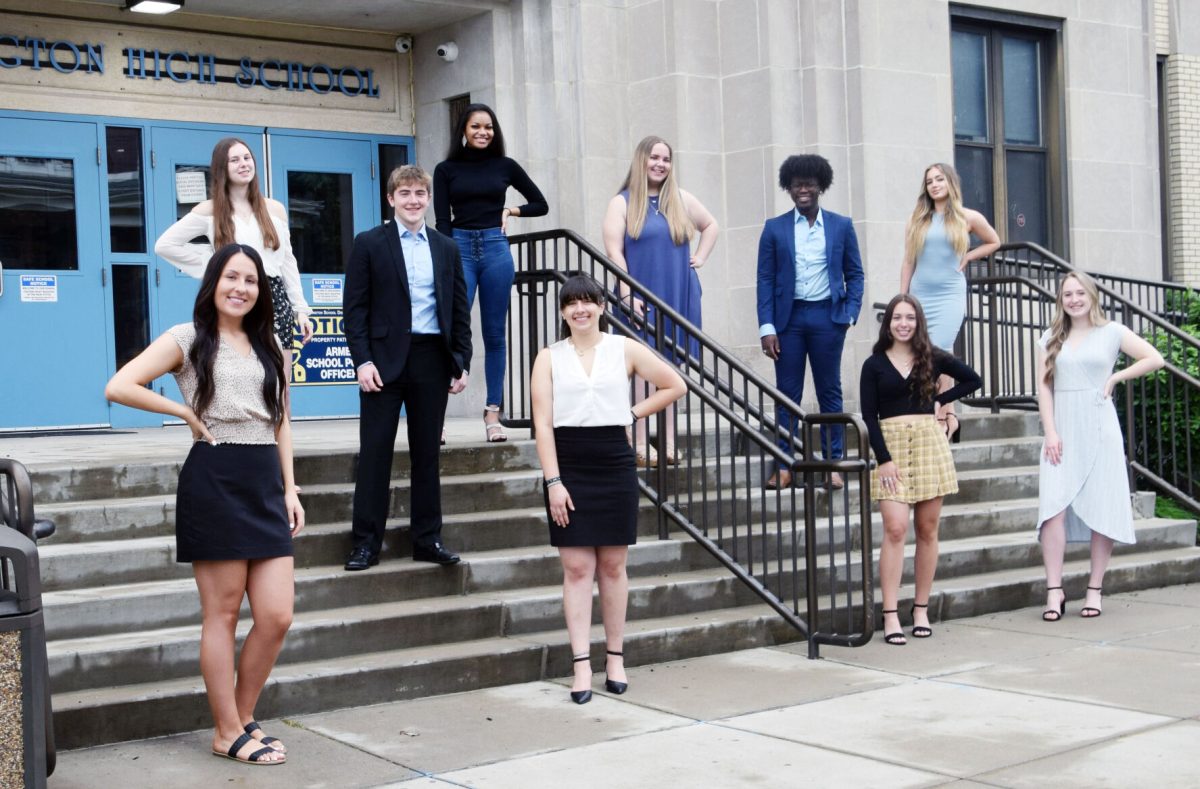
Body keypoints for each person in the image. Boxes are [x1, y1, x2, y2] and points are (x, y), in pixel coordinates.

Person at [104, 243, 302, 765]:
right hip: (215, 476)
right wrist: (184, 413)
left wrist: (290, 488)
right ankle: (226, 731)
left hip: (263, 480)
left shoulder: (270, 343)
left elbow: (281, 420)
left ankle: (239, 716)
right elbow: (120, 385)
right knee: (223, 611)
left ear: (261, 290)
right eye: (231, 277)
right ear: (213, 282)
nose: (241, 288)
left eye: (251, 281)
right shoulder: (188, 339)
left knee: (277, 614)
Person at [530, 274, 686, 704]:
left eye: (588, 301)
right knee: (577, 569)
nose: (580, 310)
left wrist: (631, 414)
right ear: (562, 312)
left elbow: (675, 384)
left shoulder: (623, 348)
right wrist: (554, 481)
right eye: (570, 304)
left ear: (601, 305)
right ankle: (581, 665)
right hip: (570, 463)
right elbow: (542, 424)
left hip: (613, 462)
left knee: (613, 567)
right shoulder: (549, 357)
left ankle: (615, 657)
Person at [343, 165, 472, 571]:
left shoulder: (446, 248)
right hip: (381, 363)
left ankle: (427, 540)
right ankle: (366, 544)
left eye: (420, 193)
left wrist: (461, 361)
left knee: (427, 456)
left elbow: (459, 309)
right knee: (376, 455)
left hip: (432, 359)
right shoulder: (369, 243)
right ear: (391, 199)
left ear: (428, 198)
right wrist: (362, 360)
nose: (413, 200)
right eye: (405, 194)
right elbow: (355, 310)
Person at [1036, 272, 1163, 621]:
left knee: (1103, 504)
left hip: (1099, 425)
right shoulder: (1050, 338)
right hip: (1061, 429)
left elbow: (1155, 358)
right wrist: (1050, 432)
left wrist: (1115, 377)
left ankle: (1094, 589)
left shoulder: (1112, 332)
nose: (1074, 299)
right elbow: (1044, 388)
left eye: (1080, 293)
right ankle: (1054, 590)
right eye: (1067, 294)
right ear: (1060, 300)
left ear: (1092, 296)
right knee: (1052, 510)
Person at [861, 294, 981, 645]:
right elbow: (869, 417)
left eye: (909, 318)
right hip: (891, 448)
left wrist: (942, 402)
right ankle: (889, 614)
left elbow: (973, 380)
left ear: (918, 322)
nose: (903, 323)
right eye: (897, 317)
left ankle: (920, 609)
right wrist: (883, 458)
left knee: (927, 529)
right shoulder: (874, 364)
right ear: (888, 323)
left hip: (930, 444)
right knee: (895, 528)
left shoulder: (932, 357)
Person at [434, 103, 548, 443]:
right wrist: (447, 256)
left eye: (489, 127)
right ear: (464, 132)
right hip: (460, 249)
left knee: (496, 334)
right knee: (451, 331)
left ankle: (492, 414)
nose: (483, 132)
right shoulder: (446, 169)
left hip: (496, 249)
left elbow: (540, 203)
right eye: (476, 127)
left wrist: (510, 209)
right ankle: (435, 416)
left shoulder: (505, 166)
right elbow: (441, 221)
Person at [601, 135, 718, 466]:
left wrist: (700, 257)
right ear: (641, 160)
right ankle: (639, 441)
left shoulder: (680, 199)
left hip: (678, 292)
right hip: (641, 295)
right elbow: (614, 253)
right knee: (641, 369)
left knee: (670, 370)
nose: (660, 164)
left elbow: (711, 225)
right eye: (654, 157)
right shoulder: (622, 203)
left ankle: (667, 442)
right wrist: (626, 294)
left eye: (666, 159)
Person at [757, 154, 864, 489]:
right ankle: (786, 466)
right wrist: (767, 326)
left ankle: (833, 465)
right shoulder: (774, 228)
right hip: (787, 321)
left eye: (809, 183)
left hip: (826, 318)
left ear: (821, 186)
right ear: (788, 188)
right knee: (787, 395)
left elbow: (855, 273)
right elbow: (765, 279)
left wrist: (849, 313)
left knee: (829, 393)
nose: (803, 189)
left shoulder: (841, 225)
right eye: (796, 184)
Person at [155, 137, 313, 355]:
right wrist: (214, 265)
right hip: (235, 298)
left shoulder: (274, 209)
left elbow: (287, 262)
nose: (244, 164)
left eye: (247, 158)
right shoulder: (209, 211)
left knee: (280, 387)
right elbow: (165, 245)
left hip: (275, 300)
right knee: (238, 378)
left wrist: (300, 310)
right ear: (222, 168)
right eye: (235, 160)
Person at [900, 163, 999, 437]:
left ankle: (943, 413)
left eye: (939, 179)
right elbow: (909, 260)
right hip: (921, 293)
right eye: (929, 181)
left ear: (950, 183)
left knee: (940, 350)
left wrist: (969, 256)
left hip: (949, 294)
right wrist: (904, 297)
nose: (934, 184)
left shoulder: (968, 217)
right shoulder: (917, 219)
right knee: (926, 352)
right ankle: (949, 414)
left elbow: (994, 241)